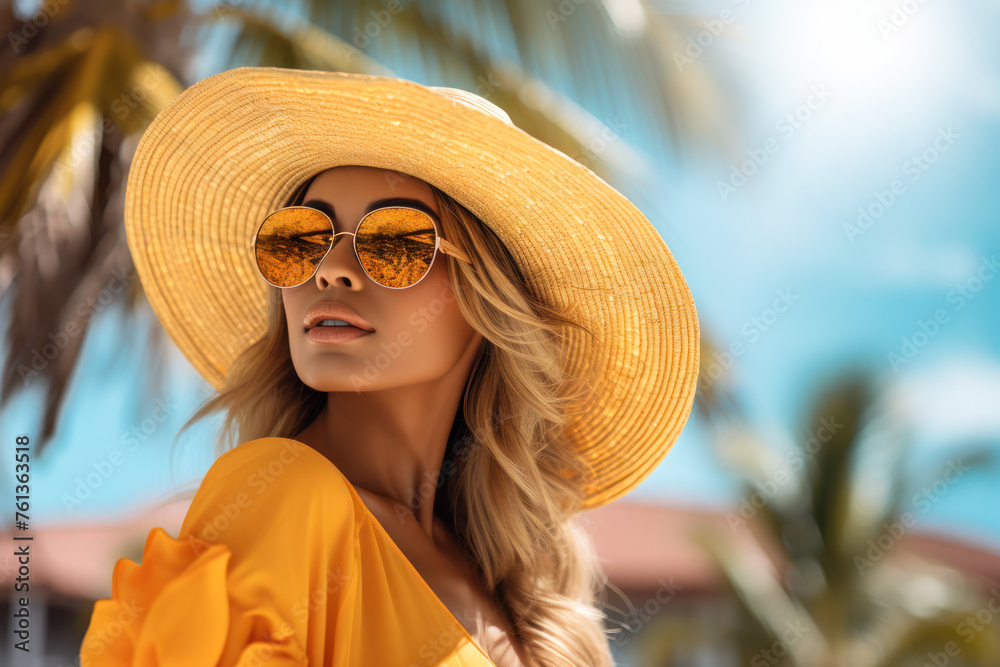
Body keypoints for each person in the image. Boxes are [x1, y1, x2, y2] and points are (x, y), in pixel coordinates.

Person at [79, 67, 700, 666]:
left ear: (487, 296)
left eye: (395, 243)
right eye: (300, 239)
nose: (330, 268)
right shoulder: (285, 496)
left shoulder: (514, 590)